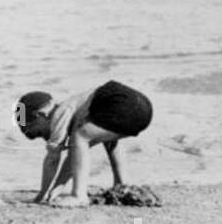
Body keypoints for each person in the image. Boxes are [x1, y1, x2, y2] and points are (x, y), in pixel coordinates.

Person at [14, 81, 153, 206]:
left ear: (41, 114)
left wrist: (42, 194)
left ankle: (79, 195)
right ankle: (121, 184)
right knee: (105, 138)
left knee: (80, 136)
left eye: (35, 132)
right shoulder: (76, 112)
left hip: (122, 102)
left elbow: (52, 159)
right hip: (142, 107)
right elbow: (74, 156)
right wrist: (58, 186)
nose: (43, 138)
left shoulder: (60, 114)